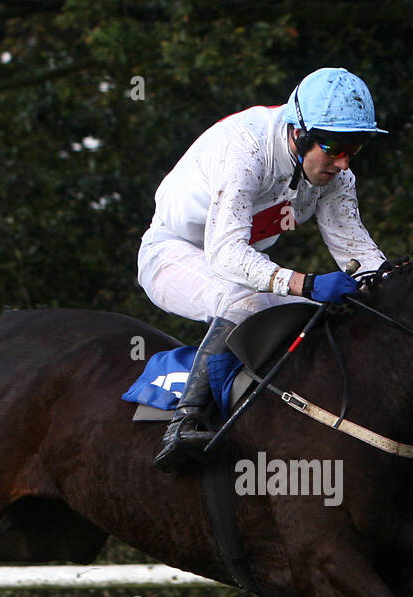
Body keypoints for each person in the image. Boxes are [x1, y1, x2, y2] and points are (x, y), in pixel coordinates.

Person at [138, 67, 389, 472]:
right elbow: (224, 256)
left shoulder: (335, 173)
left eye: (354, 150)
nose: (343, 164)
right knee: (248, 298)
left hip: (241, 261)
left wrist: (397, 290)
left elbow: (357, 250)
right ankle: (186, 421)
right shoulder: (246, 149)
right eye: (335, 149)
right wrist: (304, 282)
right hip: (172, 253)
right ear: (298, 132)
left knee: (300, 315)